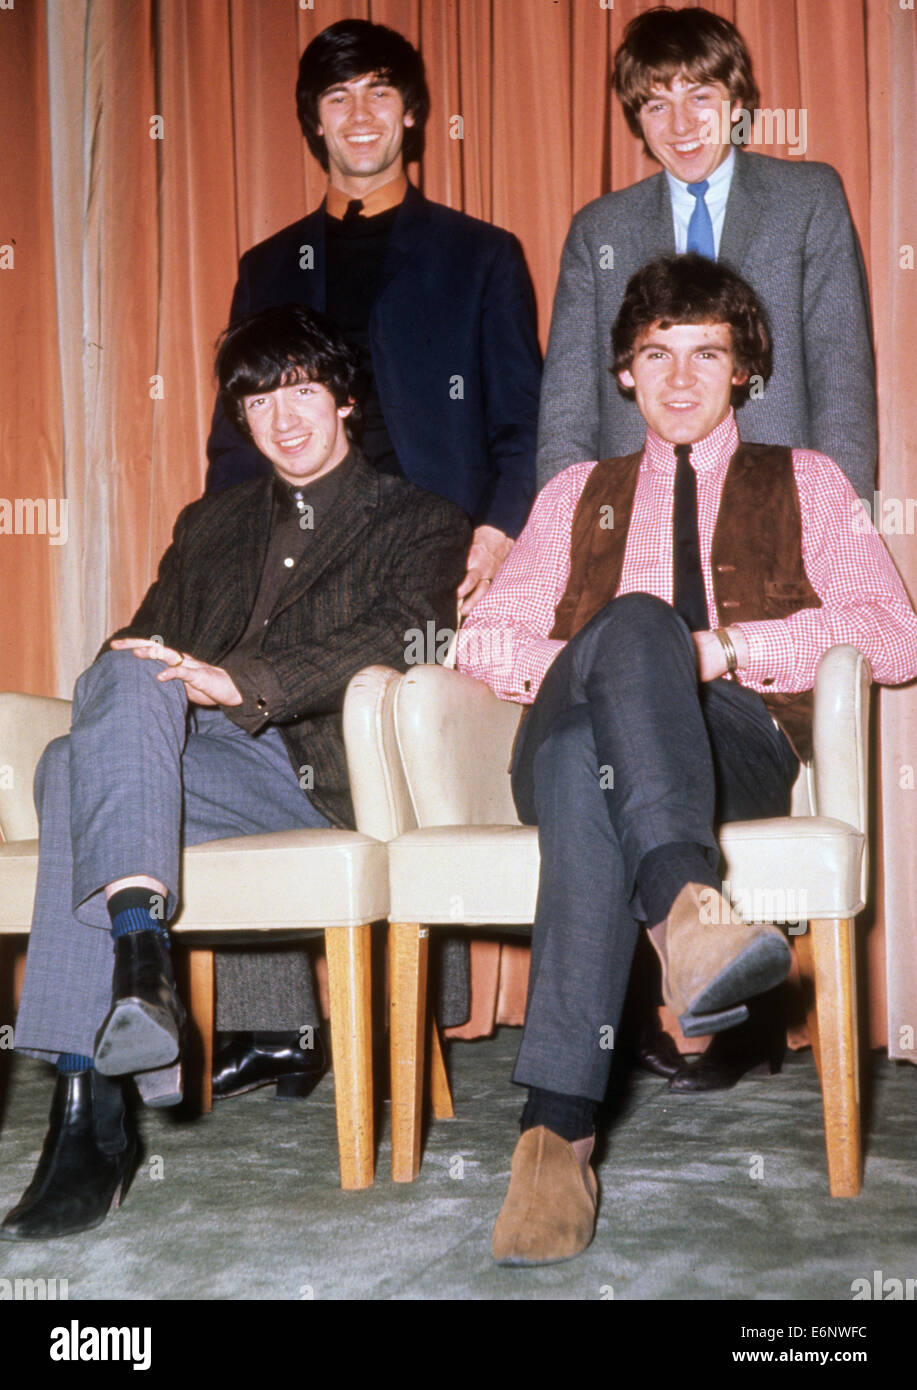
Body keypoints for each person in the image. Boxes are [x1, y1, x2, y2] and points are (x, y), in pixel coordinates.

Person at [457, 255, 917, 1266]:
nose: (677, 378)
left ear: (741, 369)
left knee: (589, 760)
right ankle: (684, 910)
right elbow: (482, 644)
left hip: (728, 742)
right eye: (654, 354)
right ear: (622, 370)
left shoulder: (806, 480)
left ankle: (552, 1132)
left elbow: (894, 634)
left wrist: (727, 649)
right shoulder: (576, 491)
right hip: (566, 715)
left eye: (704, 354)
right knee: (628, 629)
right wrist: (633, 655)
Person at [1, 304, 470, 1240]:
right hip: (183, 766)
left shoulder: (418, 519)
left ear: (343, 400)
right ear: (242, 421)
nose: (284, 418)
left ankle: (95, 1106)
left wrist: (238, 682)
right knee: (96, 716)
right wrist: (152, 672)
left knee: (68, 771)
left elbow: (402, 636)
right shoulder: (207, 523)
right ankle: (133, 980)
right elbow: (133, 639)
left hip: (308, 772)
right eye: (259, 402)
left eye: (302, 391)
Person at [206, 18, 541, 614]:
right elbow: (235, 439)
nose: (359, 116)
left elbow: (523, 425)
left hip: (436, 549)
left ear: (410, 112)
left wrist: (493, 539)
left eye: (378, 92)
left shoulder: (482, 255)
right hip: (294, 553)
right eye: (338, 97)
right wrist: (227, 558)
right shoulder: (266, 266)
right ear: (315, 121)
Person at [536, 5, 877, 502]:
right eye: (657, 106)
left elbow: (841, 381)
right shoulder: (598, 229)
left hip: (776, 500)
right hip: (634, 510)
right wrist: (566, 532)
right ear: (638, 119)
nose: (681, 126)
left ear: (736, 104)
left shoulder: (807, 200)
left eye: (701, 98)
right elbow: (568, 407)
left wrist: (839, 525)